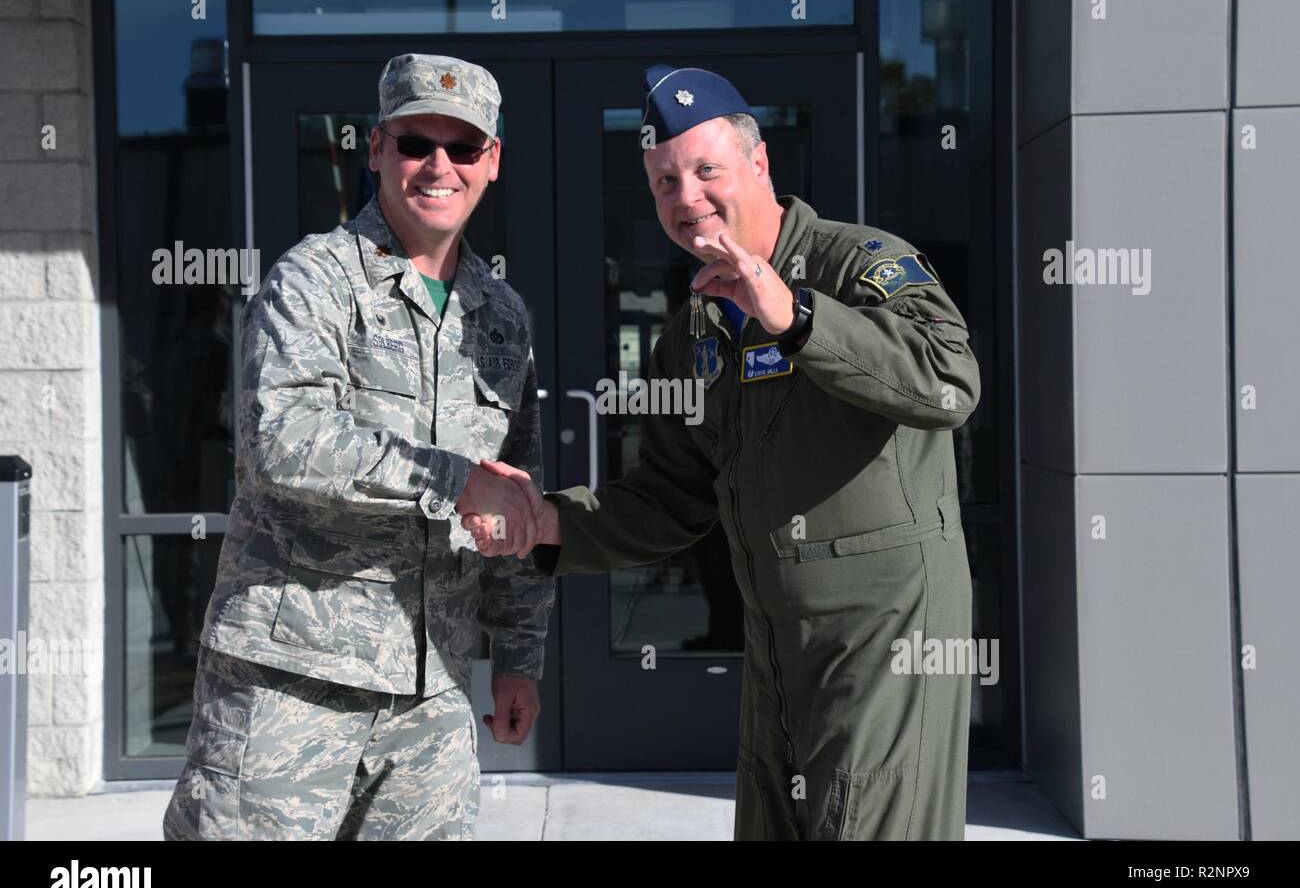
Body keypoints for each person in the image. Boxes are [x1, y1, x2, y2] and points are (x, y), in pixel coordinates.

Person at [464, 64, 980, 840]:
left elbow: (949, 384)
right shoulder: (695, 331)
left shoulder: (859, 264)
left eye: (707, 170)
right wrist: (550, 525)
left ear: (760, 163)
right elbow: (674, 498)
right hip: (774, 639)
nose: (687, 197)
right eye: (665, 181)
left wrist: (798, 318)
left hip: (887, 636)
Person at [163, 54, 552, 841]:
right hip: (292, 680)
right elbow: (283, 438)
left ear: (493, 163)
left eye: (464, 148)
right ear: (375, 150)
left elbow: (519, 496)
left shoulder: (503, 317)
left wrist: (517, 655)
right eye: (415, 144)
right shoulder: (313, 280)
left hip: (432, 693)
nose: (438, 167)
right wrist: (455, 479)